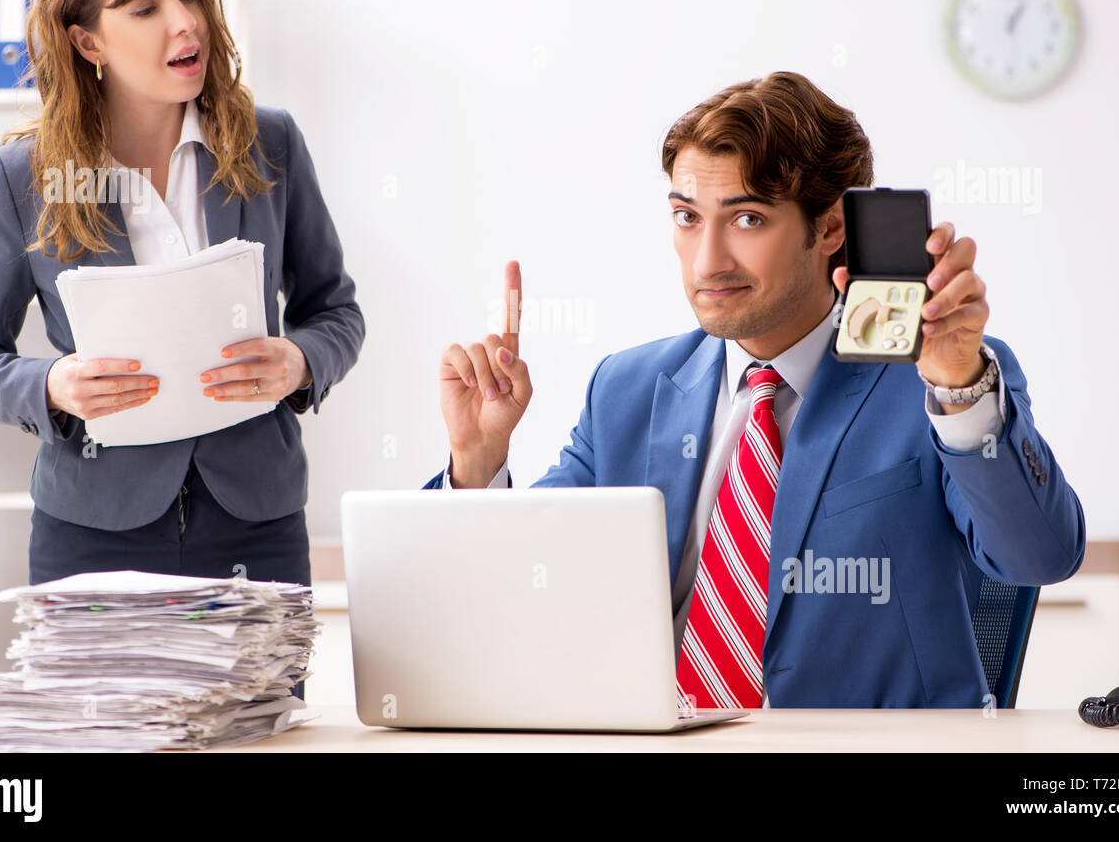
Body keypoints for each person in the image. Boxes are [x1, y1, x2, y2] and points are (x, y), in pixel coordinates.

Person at [425, 72, 1085, 708]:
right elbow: (515, 590)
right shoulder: (625, 390)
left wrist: (961, 389)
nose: (707, 260)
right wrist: (477, 461)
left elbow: (1041, 555)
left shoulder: (936, 382)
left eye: (746, 219)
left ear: (830, 228)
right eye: (687, 217)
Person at [0, 0, 364, 595]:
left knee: (266, 678)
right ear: (88, 42)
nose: (185, 22)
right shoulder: (23, 176)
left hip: (257, 521)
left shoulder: (270, 143)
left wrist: (301, 361)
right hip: (92, 529)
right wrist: (51, 385)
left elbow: (335, 310)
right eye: (144, 9)